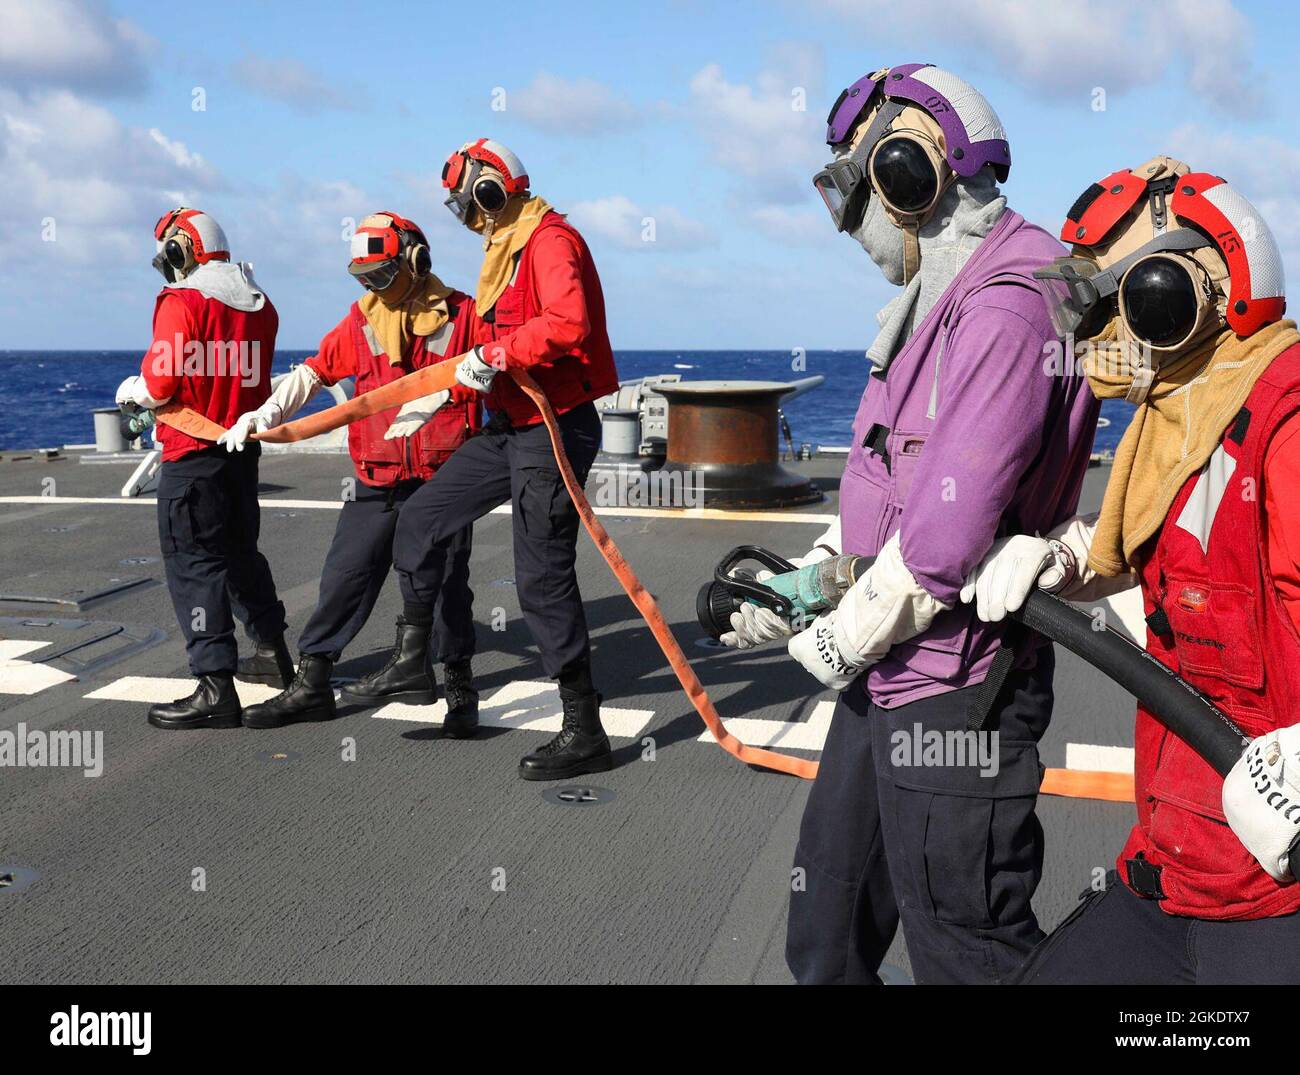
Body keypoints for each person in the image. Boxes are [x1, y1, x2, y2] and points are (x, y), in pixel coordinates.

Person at [723, 64, 1100, 983]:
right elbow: (890, 482)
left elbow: (946, 531)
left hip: (958, 683)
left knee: (968, 949)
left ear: (907, 174)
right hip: (890, 673)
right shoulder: (938, 297)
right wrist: (809, 580)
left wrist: (840, 632)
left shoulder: (1015, 298)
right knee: (827, 935)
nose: (852, 229)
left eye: (855, 197)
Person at [961, 157, 1300, 984]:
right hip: (1174, 862)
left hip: (1272, 889)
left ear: (1180, 291)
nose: (1094, 336)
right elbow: (1148, 548)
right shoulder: (1175, 415)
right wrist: (1066, 554)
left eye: (1120, 301)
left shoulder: (1283, 419)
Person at [389, 138, 620, 780]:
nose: (471, 220)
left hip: (555, 427)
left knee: (540, 578)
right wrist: (451, 388)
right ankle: (417, 656)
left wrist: (494, 356)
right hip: (509, 425)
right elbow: (494, 354)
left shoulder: (547, 241)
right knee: (422, 518)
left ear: (491, 190)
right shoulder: (503, 254)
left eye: (470, 206)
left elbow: (568, 324)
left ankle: (584, 727)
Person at [221, 212, 483, 733]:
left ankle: (458, 690)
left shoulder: (464, 314)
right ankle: (313, 683)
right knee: (345, 575)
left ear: (416, 261)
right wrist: (265, 414)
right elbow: (316, 373)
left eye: (381, 276)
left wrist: (447, 393)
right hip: (377, 475)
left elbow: (491, 371)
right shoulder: (361, 320)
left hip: (443, 476)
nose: (373, 288)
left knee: (448, 584)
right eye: (363, 278)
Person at [116, 207, 290, 729]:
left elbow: (161, 381)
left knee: (194, 563)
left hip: (192, 458)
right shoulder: (262, 306)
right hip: (240, 455)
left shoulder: (182, 300)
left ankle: (215, 686)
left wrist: (133, 392)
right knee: (240, 555)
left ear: (181, 250)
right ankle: (273, 653)